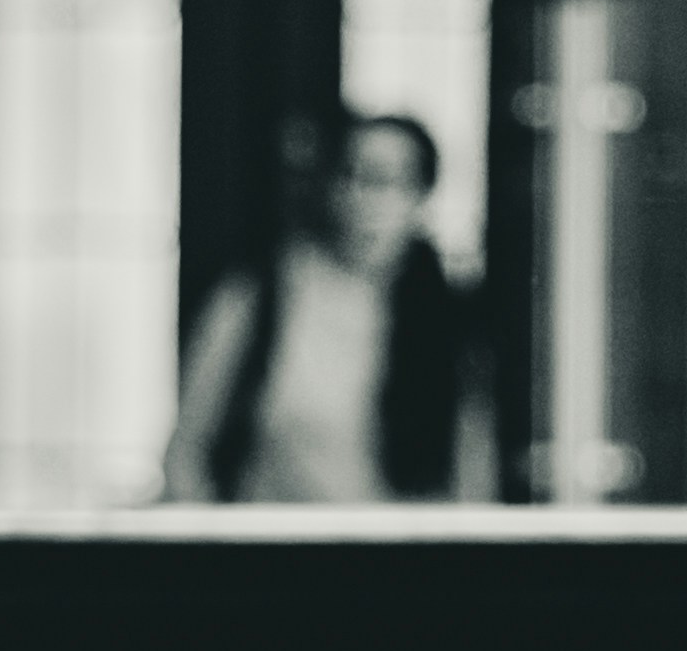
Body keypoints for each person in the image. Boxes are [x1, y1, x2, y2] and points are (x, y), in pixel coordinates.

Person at [164, 108, 474, 505]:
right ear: (326, 186)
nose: (363, 199)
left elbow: (469, 477)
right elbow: (187, 454)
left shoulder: (444, 317)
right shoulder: (260, 299)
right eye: (349, 175)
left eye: (385, 181)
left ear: (422, 195)